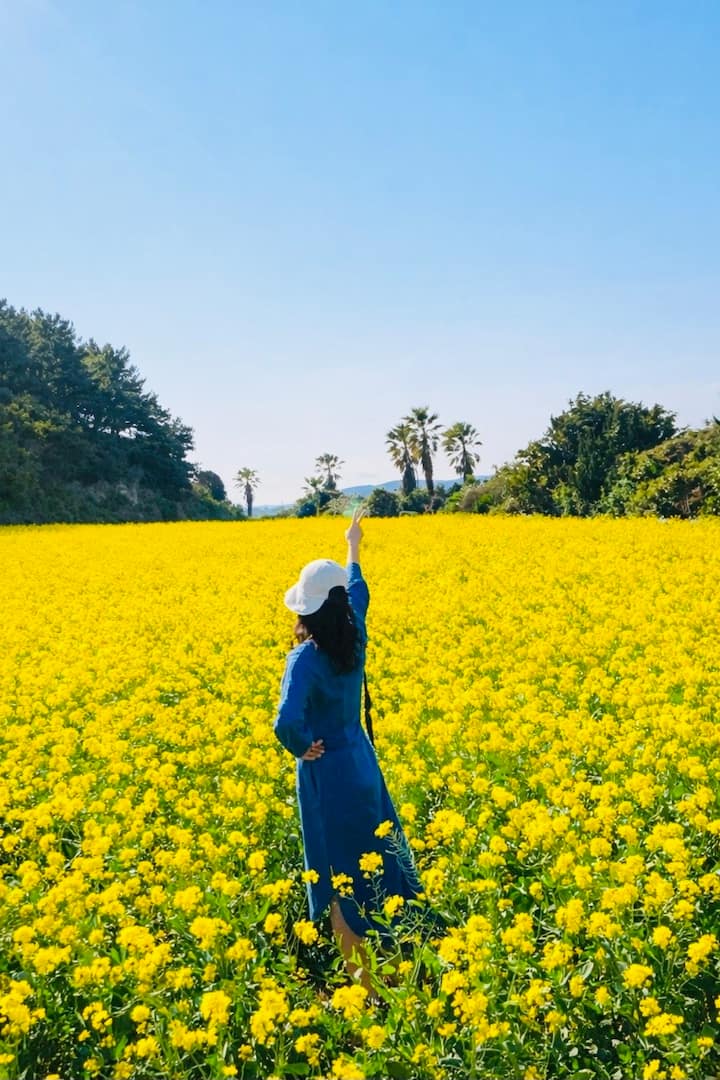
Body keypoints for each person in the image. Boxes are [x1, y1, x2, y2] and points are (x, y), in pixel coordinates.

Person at [274, 508, 421, 986]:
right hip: (360, 762)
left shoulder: (303, 660)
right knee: (376, 862)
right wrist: (352, 544)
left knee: (338, 874)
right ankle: (397, 967)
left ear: (305, 611)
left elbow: (286, 722)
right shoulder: (354, 634)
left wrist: (301, 747)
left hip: (325, 773)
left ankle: (365, 984)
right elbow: (357, 588)